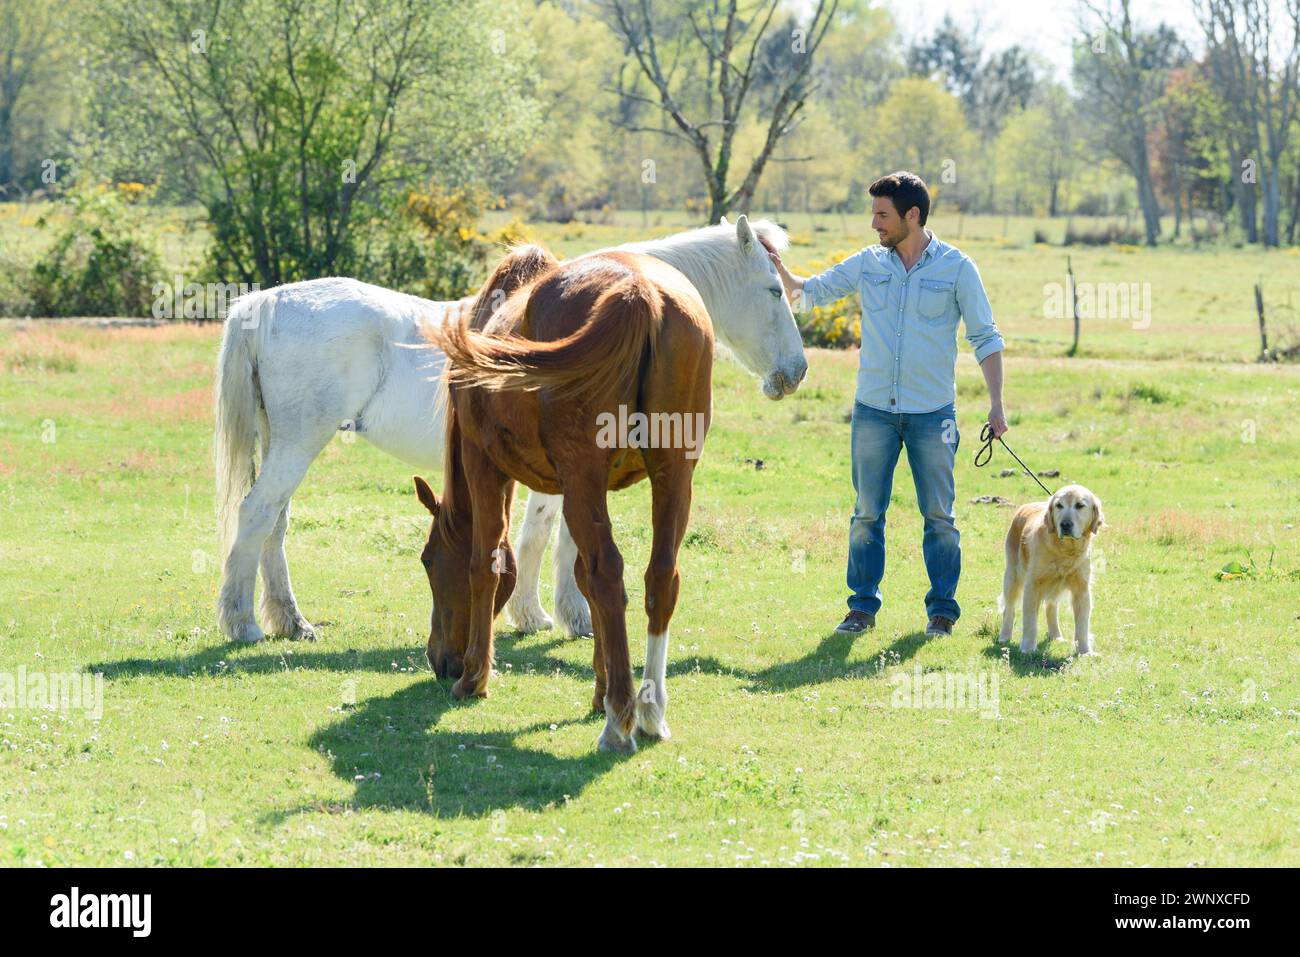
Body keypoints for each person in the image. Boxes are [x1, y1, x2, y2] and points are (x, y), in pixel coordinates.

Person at [769, 171, 1006, 637]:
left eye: (882, 214)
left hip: (933, 414)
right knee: (866, 514)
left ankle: (942, 612)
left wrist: (997, 405)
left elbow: (986, 337)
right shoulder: (867, 263)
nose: (874, 224)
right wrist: (775, 265)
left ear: (911, 216)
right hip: (874, 411)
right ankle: (861, 608)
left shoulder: (957, 268)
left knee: (939, 516)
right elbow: (807, 293)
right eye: (874, 213)